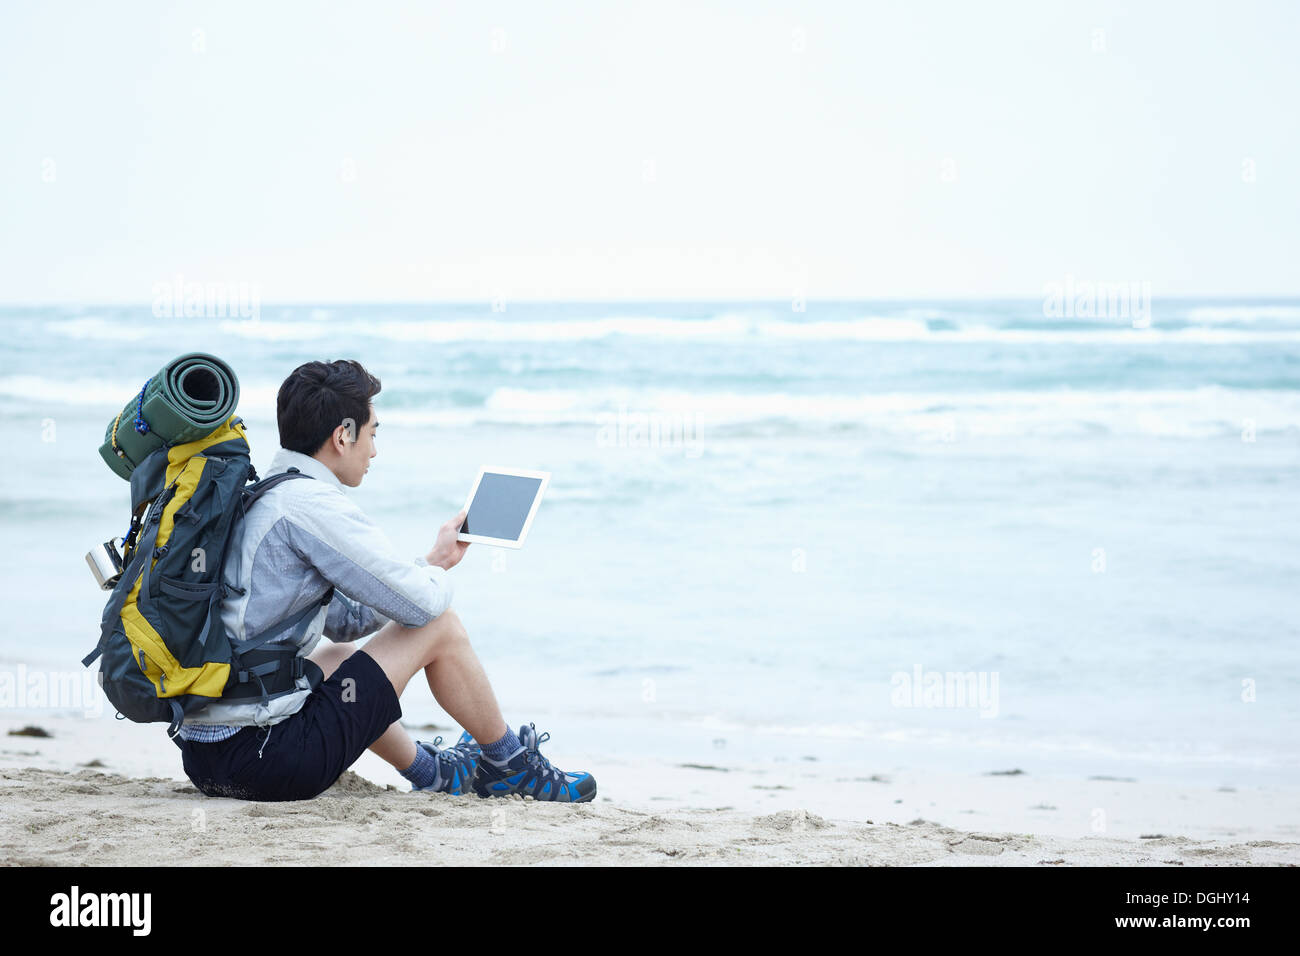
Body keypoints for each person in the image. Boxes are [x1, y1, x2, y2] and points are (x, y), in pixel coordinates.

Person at [169, 358, 595, 803]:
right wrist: (429, 576)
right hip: (268, 762)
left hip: (208, 758)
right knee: (441, 626)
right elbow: (422, 608)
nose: (374, 451)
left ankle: (432, 772)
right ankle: (511, 765)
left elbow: (346, 622)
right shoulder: (310, 506)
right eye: (373, 433)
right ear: (343, 436)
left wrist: (433, 561)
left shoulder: (262, 496)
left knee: (337, 657)